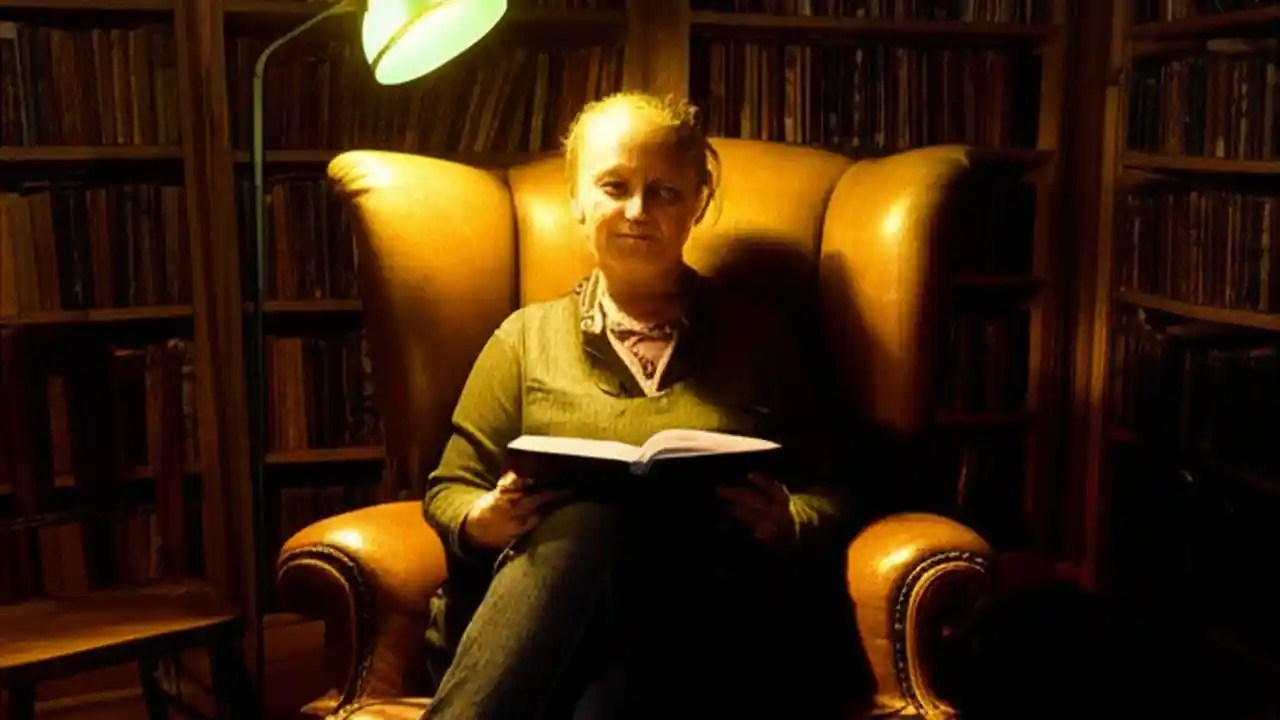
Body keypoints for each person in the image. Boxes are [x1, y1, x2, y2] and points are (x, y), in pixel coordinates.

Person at [421, 92, 860, 719]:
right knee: (583, 530)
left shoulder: (761, 339)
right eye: (614, 185)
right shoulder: (524, 339)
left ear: (697, 205)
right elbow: (449, 488)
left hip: (708, 622)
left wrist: (791, 519)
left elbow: (835, 488)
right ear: (576, 198)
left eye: (664, 192)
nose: (636, 210)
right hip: (550, 628)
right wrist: (483, 519)